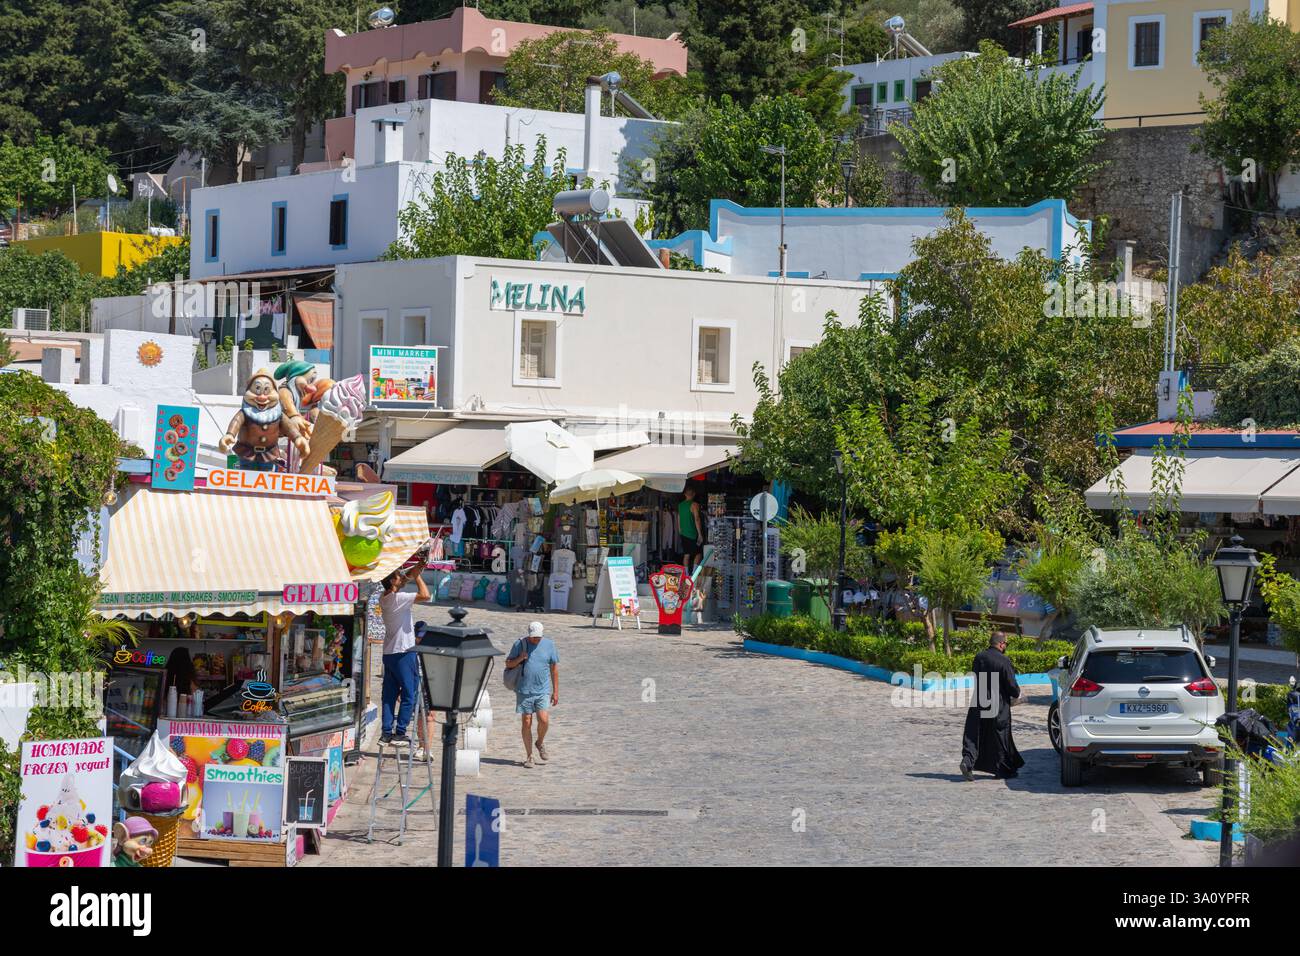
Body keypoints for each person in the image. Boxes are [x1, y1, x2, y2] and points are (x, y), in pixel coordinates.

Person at [960, 631, 1025, 780]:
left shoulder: (979, 657)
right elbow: (1012, 687)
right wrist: (1017, 694)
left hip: (979, 700)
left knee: (974, 733)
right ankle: (1002, 770)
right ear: (1001, 644)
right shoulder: (1004, 660)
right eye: (1006, 643)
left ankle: (967, 761)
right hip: (998, 703)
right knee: (999, 736)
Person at [378, 562, 429, 746]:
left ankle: (386, 732)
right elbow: (425, 595)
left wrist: (414, 570)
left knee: (389, 694)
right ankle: (400, 731)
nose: (402, 578)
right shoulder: (399, 599)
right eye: (398, 576)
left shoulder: (384, 598)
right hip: (403, 652)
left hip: (389, 653)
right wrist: (417, 576)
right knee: (409, 692)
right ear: (393, 581)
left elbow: (401, 581)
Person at [504, 621, 560, 769]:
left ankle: (539, 742)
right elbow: (508, 664)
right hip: (524, 690)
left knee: (544, 720)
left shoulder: (549, 645)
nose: (536, 639)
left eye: (538, 637)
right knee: (527, 722)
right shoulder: (519, 644)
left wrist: (556, 691)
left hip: (542, 690)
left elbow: (554, 669)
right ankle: (529, 756)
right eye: (533, 637)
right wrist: (520, 658)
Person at [678, 485, 704, 570]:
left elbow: (678, 518)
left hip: (683, 533)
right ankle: (694, 573)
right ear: (694, 494)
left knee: (686, 554)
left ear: (685, 494)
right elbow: (697, 519)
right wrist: (700, 534)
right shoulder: (694, 505)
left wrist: (680, 530)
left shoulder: (680, 505)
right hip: (693, 533)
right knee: (698, 553)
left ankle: (686, 574)